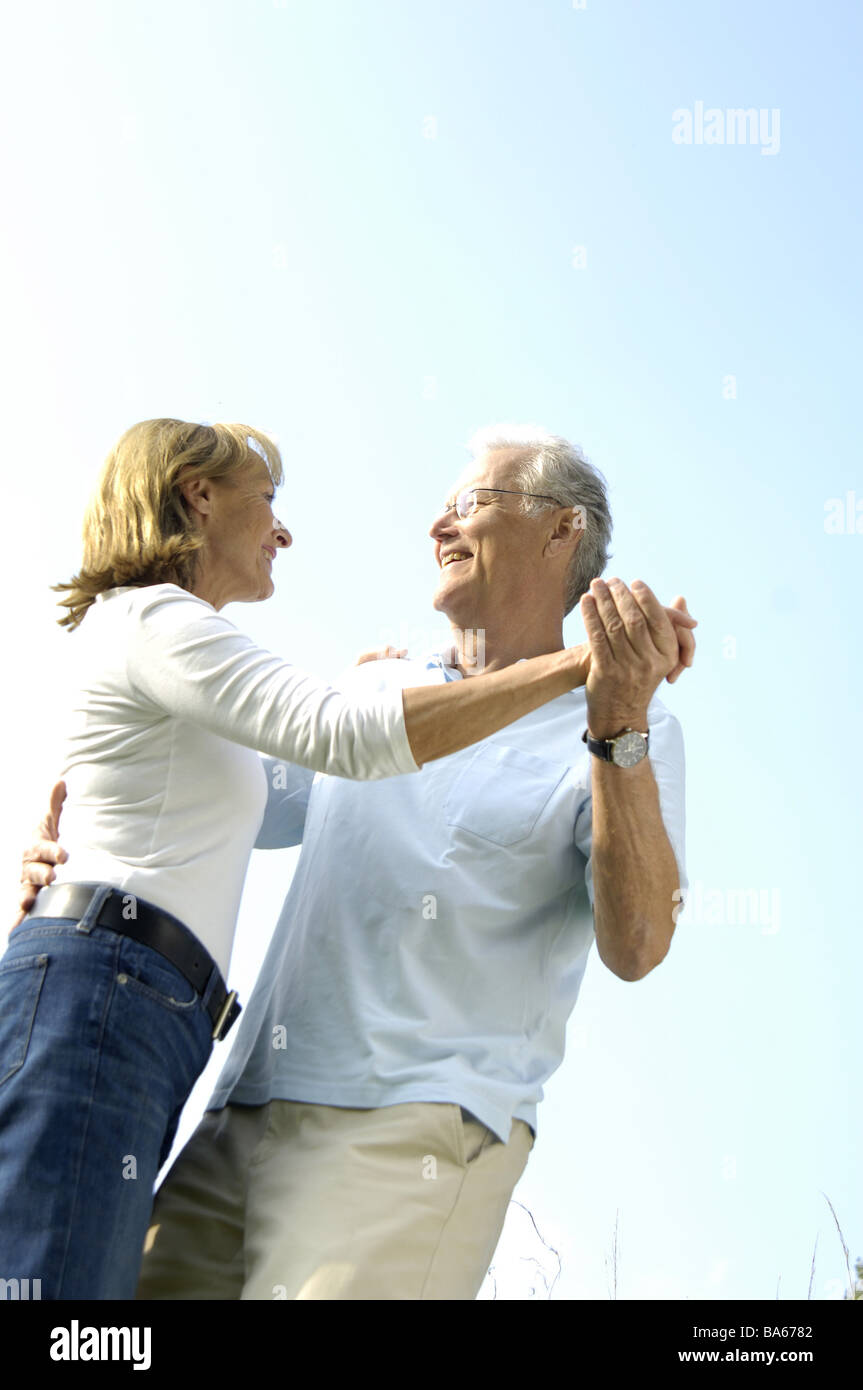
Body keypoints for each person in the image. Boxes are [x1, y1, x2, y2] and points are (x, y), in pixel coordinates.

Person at [17, 423, 695, 1301]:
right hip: (237, 1117)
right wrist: (72, 865)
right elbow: (219, 801)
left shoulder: (629, 723)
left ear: (561, 529)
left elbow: (637, 943)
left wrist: (615, 723)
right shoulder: (377, 691)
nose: (436, 526)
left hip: (411, 1131)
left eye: (468, 505)